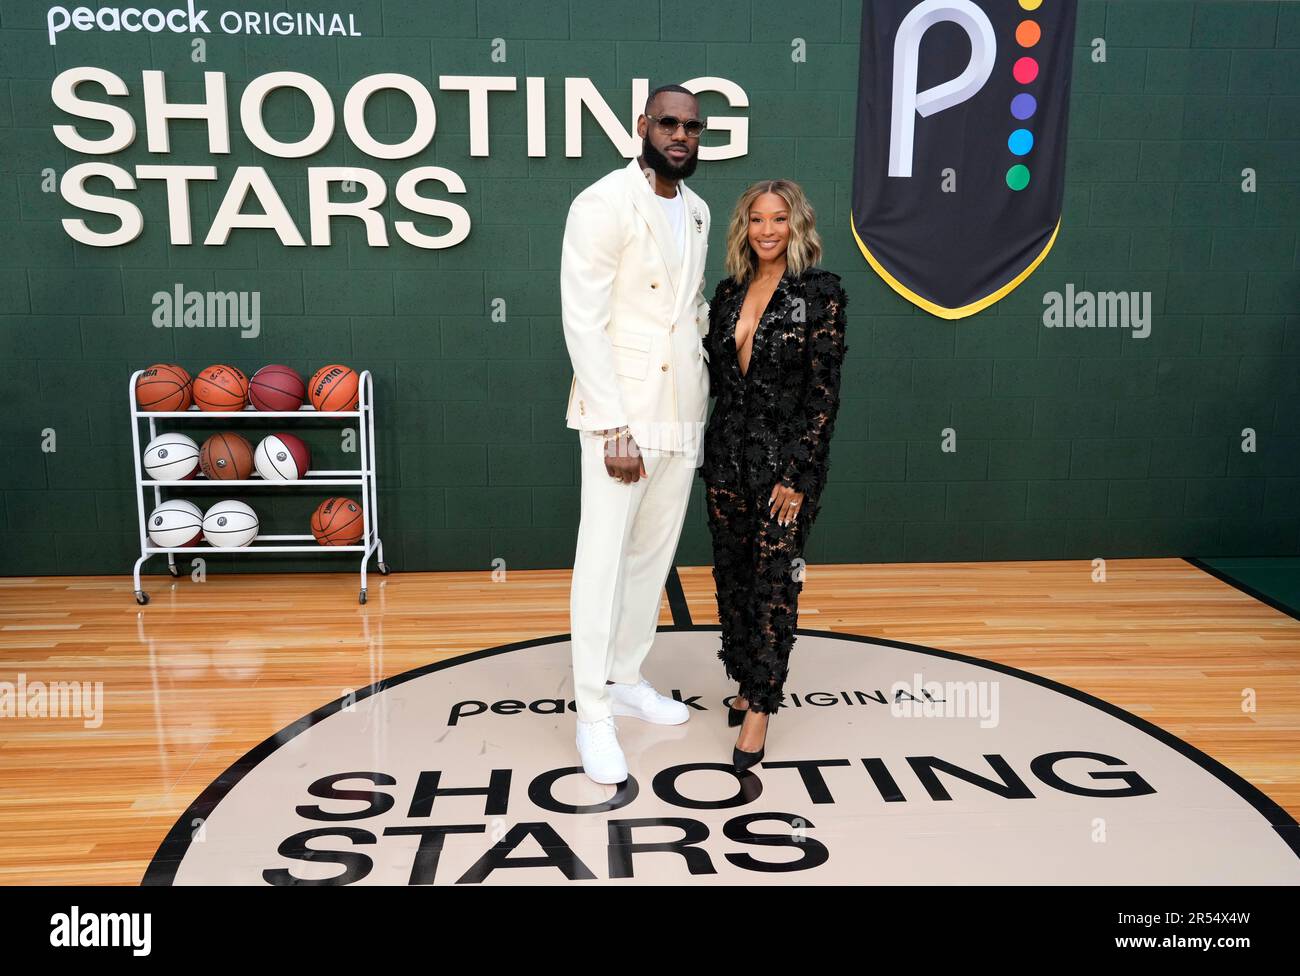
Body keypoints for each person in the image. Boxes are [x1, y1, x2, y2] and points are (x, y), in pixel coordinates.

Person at [560, 84, 713, 785]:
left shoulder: (700, 209)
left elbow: (686, 309)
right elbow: (583, 320)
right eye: (669, 123)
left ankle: (626, 676)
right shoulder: (601, 203)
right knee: (602, 561)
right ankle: (592, 713)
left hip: (682, 407)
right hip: (620, 416)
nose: (680, 135)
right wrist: (613, 422)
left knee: (652, 558)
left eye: (692, 127)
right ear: (643, 126)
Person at [699, 179, 849, 772]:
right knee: (733, 575)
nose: (767, 230)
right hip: (727, 459)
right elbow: (712, 378)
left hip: (785, 466)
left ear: (797, 225)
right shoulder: (728, 292)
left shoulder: (820, 293)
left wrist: (798, 473)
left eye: (778, 219)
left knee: (774, 584)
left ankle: (760, 705)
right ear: (745, 228)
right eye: (756, 219)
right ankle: (742, 677)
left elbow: (823, 393)